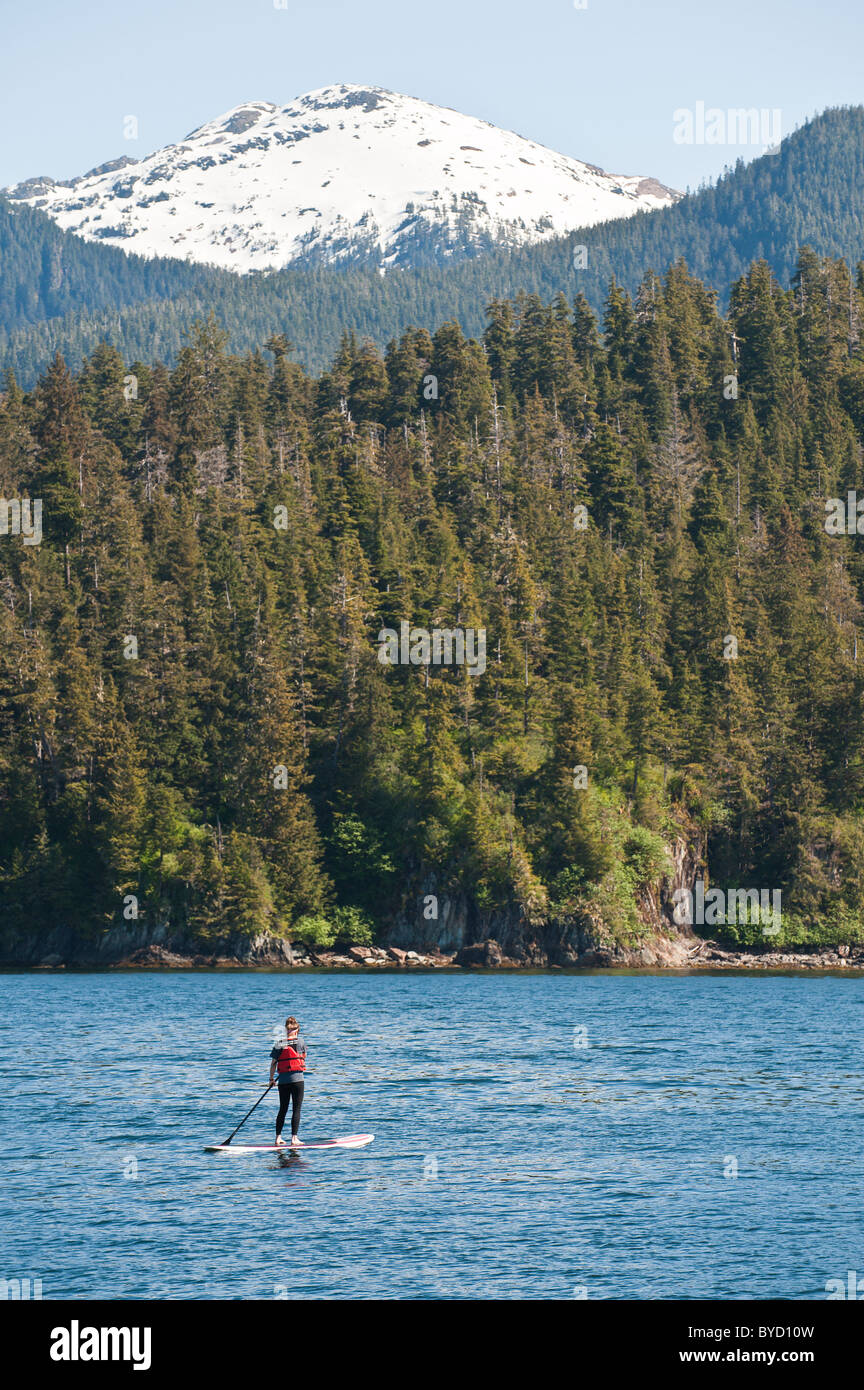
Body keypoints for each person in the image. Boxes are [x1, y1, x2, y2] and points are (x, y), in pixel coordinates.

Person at [269, 1016, 306, 1147]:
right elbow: (303, 1057)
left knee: (282, 1109)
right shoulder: (300, 1042)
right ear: (297, 1030)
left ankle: (278, 1138)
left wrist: (271, 1079)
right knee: (296, 1109)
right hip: (297, 1080)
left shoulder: (279, 1043)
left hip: (283, 1081)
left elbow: (273, 1063)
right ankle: (294, 1138)